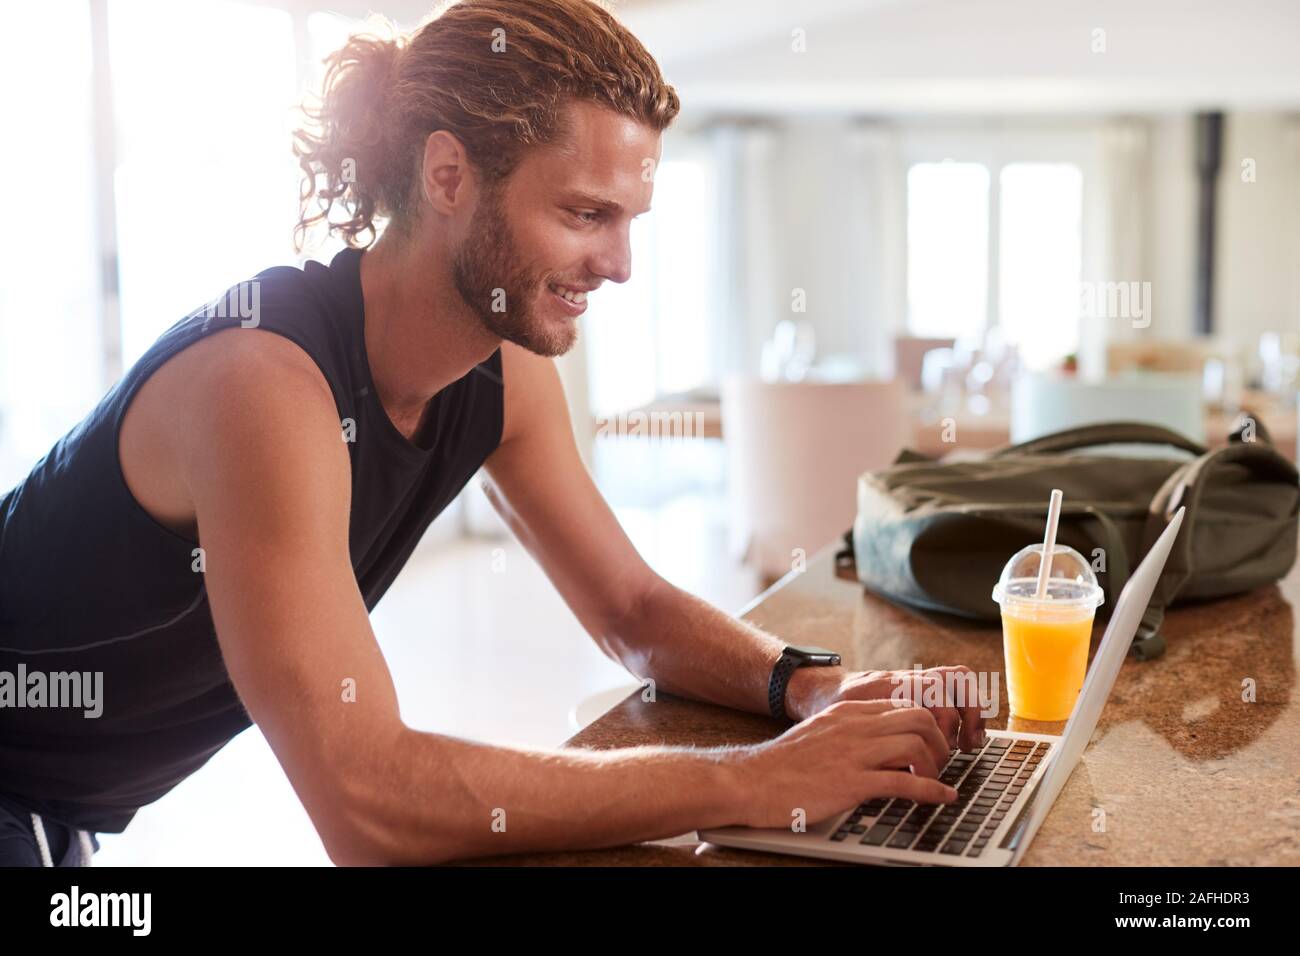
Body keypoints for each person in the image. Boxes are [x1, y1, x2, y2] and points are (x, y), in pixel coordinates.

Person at [0, 0, 981, 867]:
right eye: (584, 212)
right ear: (447, 174)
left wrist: (808, 688)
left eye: (630, 218)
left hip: (58, 797)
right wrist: (748, 780)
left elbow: (630, 604)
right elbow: (364, 797)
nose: (620, 263)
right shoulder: (261, 384)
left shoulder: (499, 367)